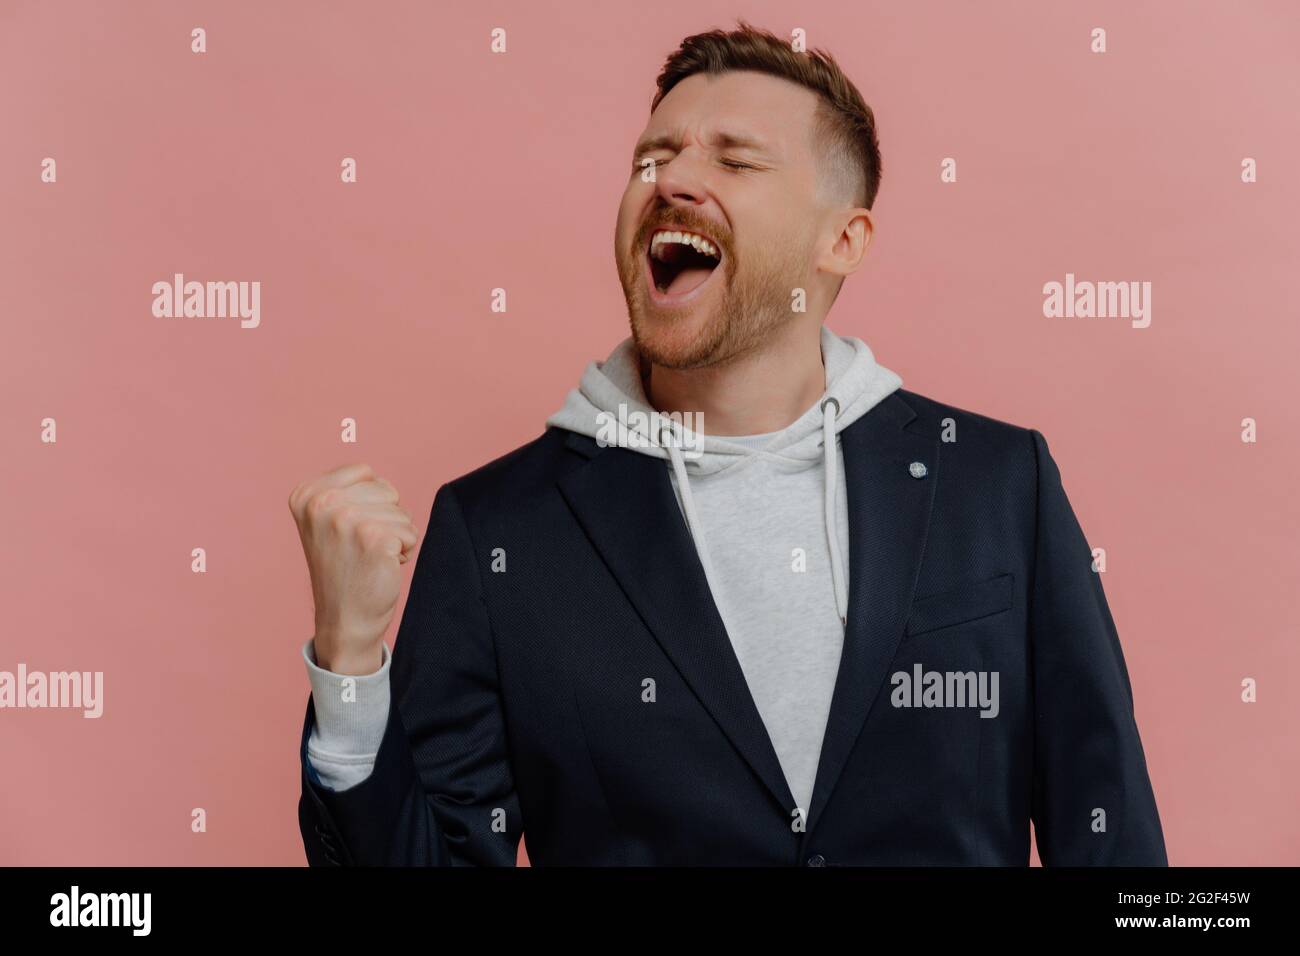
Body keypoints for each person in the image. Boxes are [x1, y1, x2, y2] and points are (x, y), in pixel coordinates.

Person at [288, 21, 1166, 866]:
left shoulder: (1001, 487)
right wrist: (352, 664)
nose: (673, 180)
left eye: (736, 159)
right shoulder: (497, 532)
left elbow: (1113, 837)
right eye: (653, 158)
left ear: (844, 239)